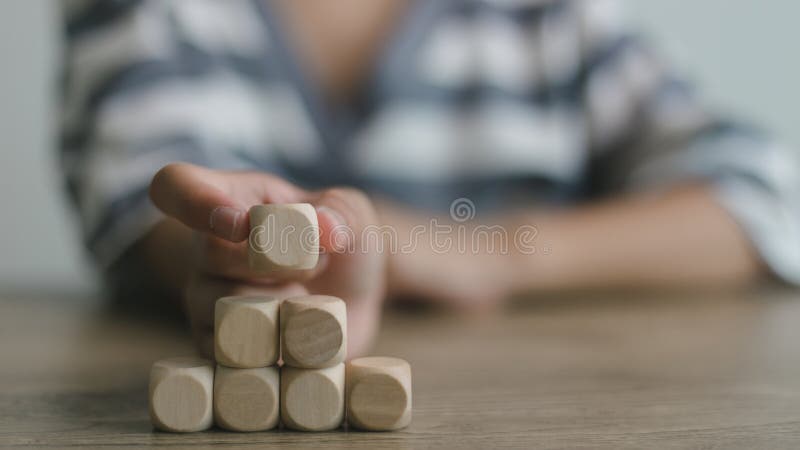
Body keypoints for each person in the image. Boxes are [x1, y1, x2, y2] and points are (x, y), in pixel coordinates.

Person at [59, 0, 800, 357]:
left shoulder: (548, 18)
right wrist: (229, 256)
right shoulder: (150, 13)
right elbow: (139, 202)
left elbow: (764, 197)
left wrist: (480, 252)